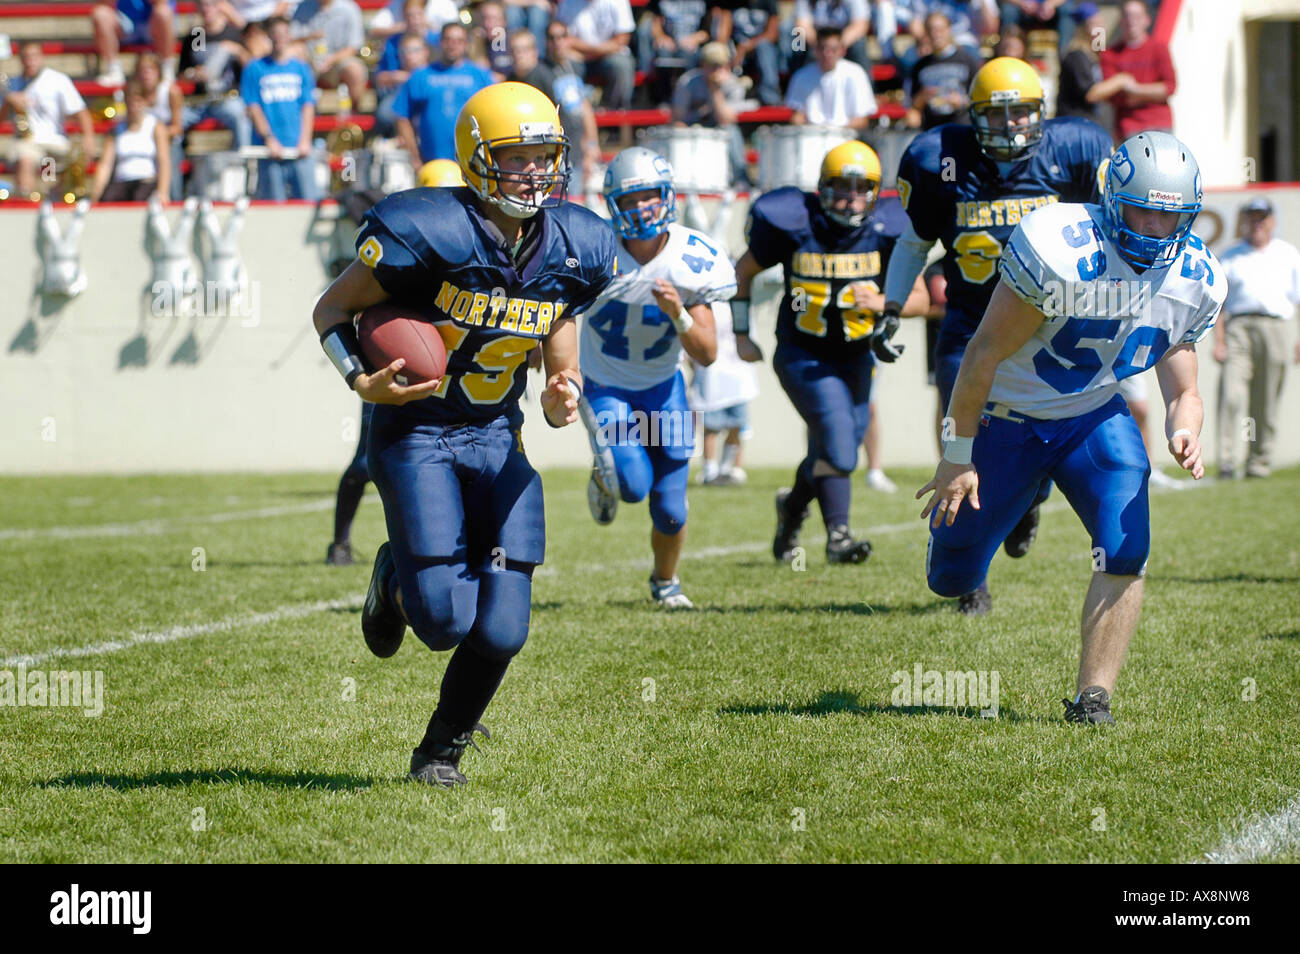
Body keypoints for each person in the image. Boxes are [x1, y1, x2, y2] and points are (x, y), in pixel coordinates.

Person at [312, 83, 619, 786]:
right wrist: (362, 381)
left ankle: (440, 752)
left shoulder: (575, 243)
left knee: (505, 626)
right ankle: (393, 579)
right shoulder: (430, 229)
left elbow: (557, 310)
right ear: (478, 161)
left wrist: (562, 384)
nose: (536, 173)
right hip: (418, 433)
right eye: (518, 158)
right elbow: (330, 310)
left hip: (496, 437)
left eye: (546, 157)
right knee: (444, 620)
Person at [918, 131, 1224, 724]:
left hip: (1091, 414)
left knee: (1127, 547)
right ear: (1111, 199)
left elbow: (1184, 385)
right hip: (1007, 417)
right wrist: (958, 455)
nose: (1155, 232)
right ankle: (1018, 498)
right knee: (949, 576)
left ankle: (1093, 699)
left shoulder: (1195, 276)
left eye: (1171, 218)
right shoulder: (1060, 246)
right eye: (1141, 212)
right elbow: (980, 354)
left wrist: (1183, 427)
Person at [881, 56, 1112, 614]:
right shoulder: (939, 159)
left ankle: (1030, 498)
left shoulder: (1075, 149)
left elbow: (1108, 231)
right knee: (961, 446)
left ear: (1042, 113)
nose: (1010, 126)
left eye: (1021, 114)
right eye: (997, 115)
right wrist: (891, 306)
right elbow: (915, 242)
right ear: (974, 116)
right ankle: (970, 578)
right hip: (969, 325)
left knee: (1041, 442)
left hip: (1048, 330)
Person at [731, 141, 928, 566]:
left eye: (861, 188)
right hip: (803, 355)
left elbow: (922, 299)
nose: (850, 198)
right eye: (841, 187)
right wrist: (742, 333)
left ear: (876, 192)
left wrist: (883, 304)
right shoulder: (794, 223)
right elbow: (742, 272)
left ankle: (793, 508)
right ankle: (839, 536)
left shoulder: (887, 229)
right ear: (821, 187)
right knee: (839, 450)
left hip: (857, 356)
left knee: (834, 448)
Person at [581, 147, 728, 609]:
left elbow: (705, 353)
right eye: (631, 198)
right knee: (632, 484)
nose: (643, 207)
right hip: (606, 384)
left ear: (667, 197)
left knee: (670, 508)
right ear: (613, 205)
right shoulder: (593, 251)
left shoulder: (691, 257)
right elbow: (557, 314)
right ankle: (606, 476)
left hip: (665, 388)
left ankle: (666, 583)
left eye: (650, 196)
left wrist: (679, 312)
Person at [1215, 197, 1300, 480]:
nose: (1257, 223)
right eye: (1252, 217)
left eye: (1262, 217)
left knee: (1266, 399)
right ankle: (1226, 462)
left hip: (1275, 329)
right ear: (1244, 221)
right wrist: (1219, 340)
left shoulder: (1288, 254)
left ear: (1272, 221)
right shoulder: (1230, 256)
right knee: (1231, 394)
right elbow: (1219, 306)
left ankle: (1259, 462)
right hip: (1238, 328)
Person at [2, 42, 97, 199]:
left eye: (34, 57)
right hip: (27, 143)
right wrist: (9, 101)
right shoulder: (12, 85)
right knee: (26, 158)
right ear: (20, 59)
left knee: (52, 167)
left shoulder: (57, 80)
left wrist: (89, 140)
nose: (30, 61)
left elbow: (81, 113)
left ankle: (50, 199)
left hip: (53, 143)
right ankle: (27, 200)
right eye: (26, 57)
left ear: (41, 58)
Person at [241, 16, 320, 201]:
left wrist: (305, 140)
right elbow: (253, 107)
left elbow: (308, 105)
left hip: (299, 148)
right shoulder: (255, 68)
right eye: (275, 34)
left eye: (283, 33)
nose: (280, 38)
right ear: (269, 36)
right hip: (270, 151)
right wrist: (269, 139)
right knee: (274, 206)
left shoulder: (301, 68)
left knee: (308, 203)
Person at [511, 28, 599, 193]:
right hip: (556, 155)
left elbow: (584, 106)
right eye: (552, 38)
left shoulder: (572, 66)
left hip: (575, 150)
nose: (558, 42)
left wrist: (592, 143)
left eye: (562, 36)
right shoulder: (538, 74)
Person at [394, 21, 494, 164]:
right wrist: (415, 157)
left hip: (474, 163)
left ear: (466, 44)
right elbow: (402, 115)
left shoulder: (481, 75)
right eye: (448, 39)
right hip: (433, 162)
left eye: (458, 41)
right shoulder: (421, 76)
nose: (453, 44)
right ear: (440, 42)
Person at [691, 300, 757, 486]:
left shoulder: (741, 305)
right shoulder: (705, 306)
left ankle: (728, 468)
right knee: (711, 427)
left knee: (738, 425)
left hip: (739, 375)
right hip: (712, 375)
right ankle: (710, 470)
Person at [670, 42, 750, 188]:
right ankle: (679, 180)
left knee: (731, 132)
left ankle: (741, 179)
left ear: (728, 64)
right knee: (678, 133)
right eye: (712, 65)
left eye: (721, 65)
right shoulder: (688, 82)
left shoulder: (734, 84)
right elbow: (678, 119)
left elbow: (726, 119)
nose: (717, 69)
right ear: (702, 64)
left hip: (719, 128)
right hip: (692, 129)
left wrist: (715, 89)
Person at [178, 0, 253, 152]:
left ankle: (244, 163)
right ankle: (176, 168)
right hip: (200, 101)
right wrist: (193, 73)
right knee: (175, 120)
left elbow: (252, 67)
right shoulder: (196, 35)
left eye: (210, 4)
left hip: (228, 98)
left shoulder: (233, 33)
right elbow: (182, 73)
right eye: (202, 5)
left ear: (220, 6)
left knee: (240, 117)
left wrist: (238, 51)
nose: (206, 9)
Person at [1096, 0, 1175, 140]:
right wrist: (1152, 93)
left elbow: (1170, 87)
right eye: (1127, 16)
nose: (1131, 21)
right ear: (1121, 20)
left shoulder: (1159, 48)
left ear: (1147, 20)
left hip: (1160, 124)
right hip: (1129, 126)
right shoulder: (1110, 53)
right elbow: (1113, 95)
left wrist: (1135, 89)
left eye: (1136, 16)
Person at [90, 80, 171, 201]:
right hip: (121, 182)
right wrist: (96, 194)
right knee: (109, 199)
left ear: (145, 101)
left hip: (146, 181)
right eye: (130, 102)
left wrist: (163, 192)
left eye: (138, 101)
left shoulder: (155, 127)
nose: (134, 106)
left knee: (140, 198)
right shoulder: (116, 130)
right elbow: (105, 165)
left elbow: (163, 162)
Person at [785, 27, 877, 132]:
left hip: (846, 139)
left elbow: (862, 120)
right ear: (816, 49)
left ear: (842, 50)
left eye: (833, 49)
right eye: (823, 48)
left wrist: (834, 132)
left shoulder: (856, 74)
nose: (827, 53)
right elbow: (797, 116)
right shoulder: (801, 76)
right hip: (811, 138)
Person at [905, 11, 984, 130]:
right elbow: (912, 109)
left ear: (949, 30)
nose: (936, 34)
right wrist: (921, 98)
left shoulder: (967, 60)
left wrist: (961, 101)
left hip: (963, 128)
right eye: (931, 30)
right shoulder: (919, 66)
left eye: (940, 29)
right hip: (933, 130)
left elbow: (981, 100)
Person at [554, 0, 637, 110]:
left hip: (607, 55)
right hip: (579, 57)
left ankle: (617, 112)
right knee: (562, 64)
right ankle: (572, 113)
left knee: (622, 65)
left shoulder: (618, 2)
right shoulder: (567, 3)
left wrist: (587, 51)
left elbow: (622, 40)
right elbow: (562, 39)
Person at [291, 0, 369, 114]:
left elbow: (353, 47)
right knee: (293, 55)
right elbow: (291, 40)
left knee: (356, 71)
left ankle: (354, 117)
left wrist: (331, 59)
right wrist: (309, 37)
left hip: (338, 62)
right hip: (308, 62)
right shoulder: (302, 8)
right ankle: (297, 112)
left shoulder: (349, 8)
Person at [91, 0, 176, 86]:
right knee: (101, 14)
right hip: (125, 22)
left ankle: (167, 71)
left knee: (163, 12)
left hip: (152, 23)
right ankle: (114, 70)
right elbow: (103, 3)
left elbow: (161, 2)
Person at [715, 0, 781, 107]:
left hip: (760, 51)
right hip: (736, 52)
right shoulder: (730, 4)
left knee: (764, 48)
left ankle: (770, 99)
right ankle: (724, 94)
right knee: (720, 51)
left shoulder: (769, 3)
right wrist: (723, 52)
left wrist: (745, 47)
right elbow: (723, 34)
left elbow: (772, 35)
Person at [1055, 3, 1109, 122]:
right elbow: (1090, 93)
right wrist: (1122, 80)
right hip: (1074, 124)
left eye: (1101, 23)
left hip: (1086, 122)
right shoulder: (1076, 56)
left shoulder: (1091, 55)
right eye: (1095, 24)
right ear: (1082, 28)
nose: (1101, 29)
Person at [374, 31, 432, 138]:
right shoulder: (394, 79)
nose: (408, 55)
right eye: (403, 51)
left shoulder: (436, 79)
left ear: (426, 51)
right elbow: (385, 114)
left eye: (414, 50)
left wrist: (411, 79)